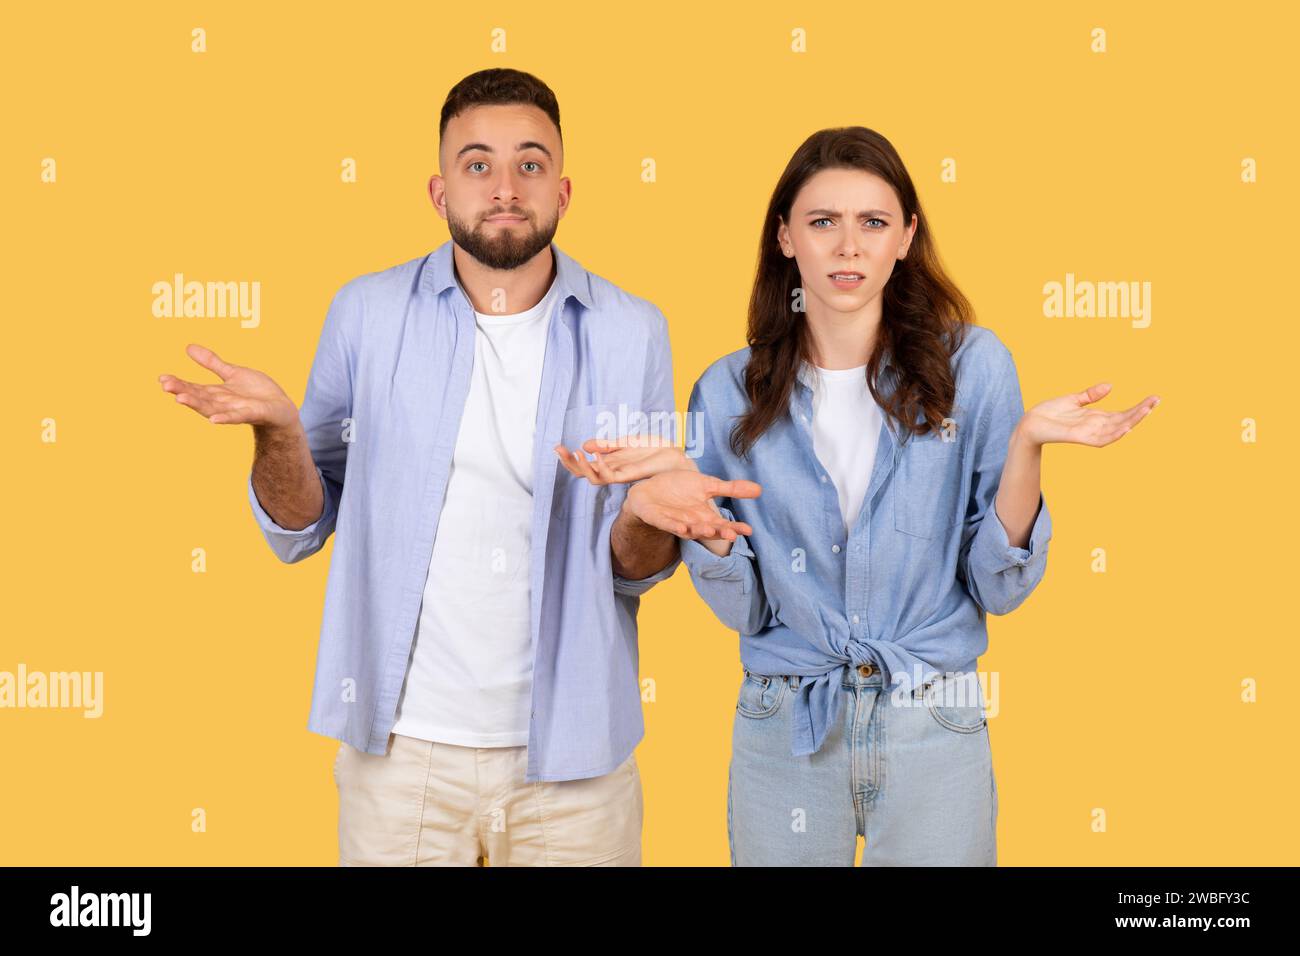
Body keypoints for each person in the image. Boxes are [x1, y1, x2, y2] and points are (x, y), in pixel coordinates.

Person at [157, 68, 723, 866]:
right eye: (477, 163)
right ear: (438, 190)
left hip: (576, 758)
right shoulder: (364, 312)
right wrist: (279, 433)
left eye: (529, 164)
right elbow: (301, 527)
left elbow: (633, 573)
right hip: (401, 755)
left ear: (563, 191)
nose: (504, 187)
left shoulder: (634, 330)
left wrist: (645, 516)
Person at [563, 126, 1159, 866]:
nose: (849, 248)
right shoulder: (725, 391)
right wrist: (698, 516)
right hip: (785, 723)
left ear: (906, 237)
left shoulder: (974, 367)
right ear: (785, 238)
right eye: (823, 223)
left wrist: (1027, 446)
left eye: (873, 223)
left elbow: (997, 588)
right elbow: (744, 608)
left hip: (932, 721)